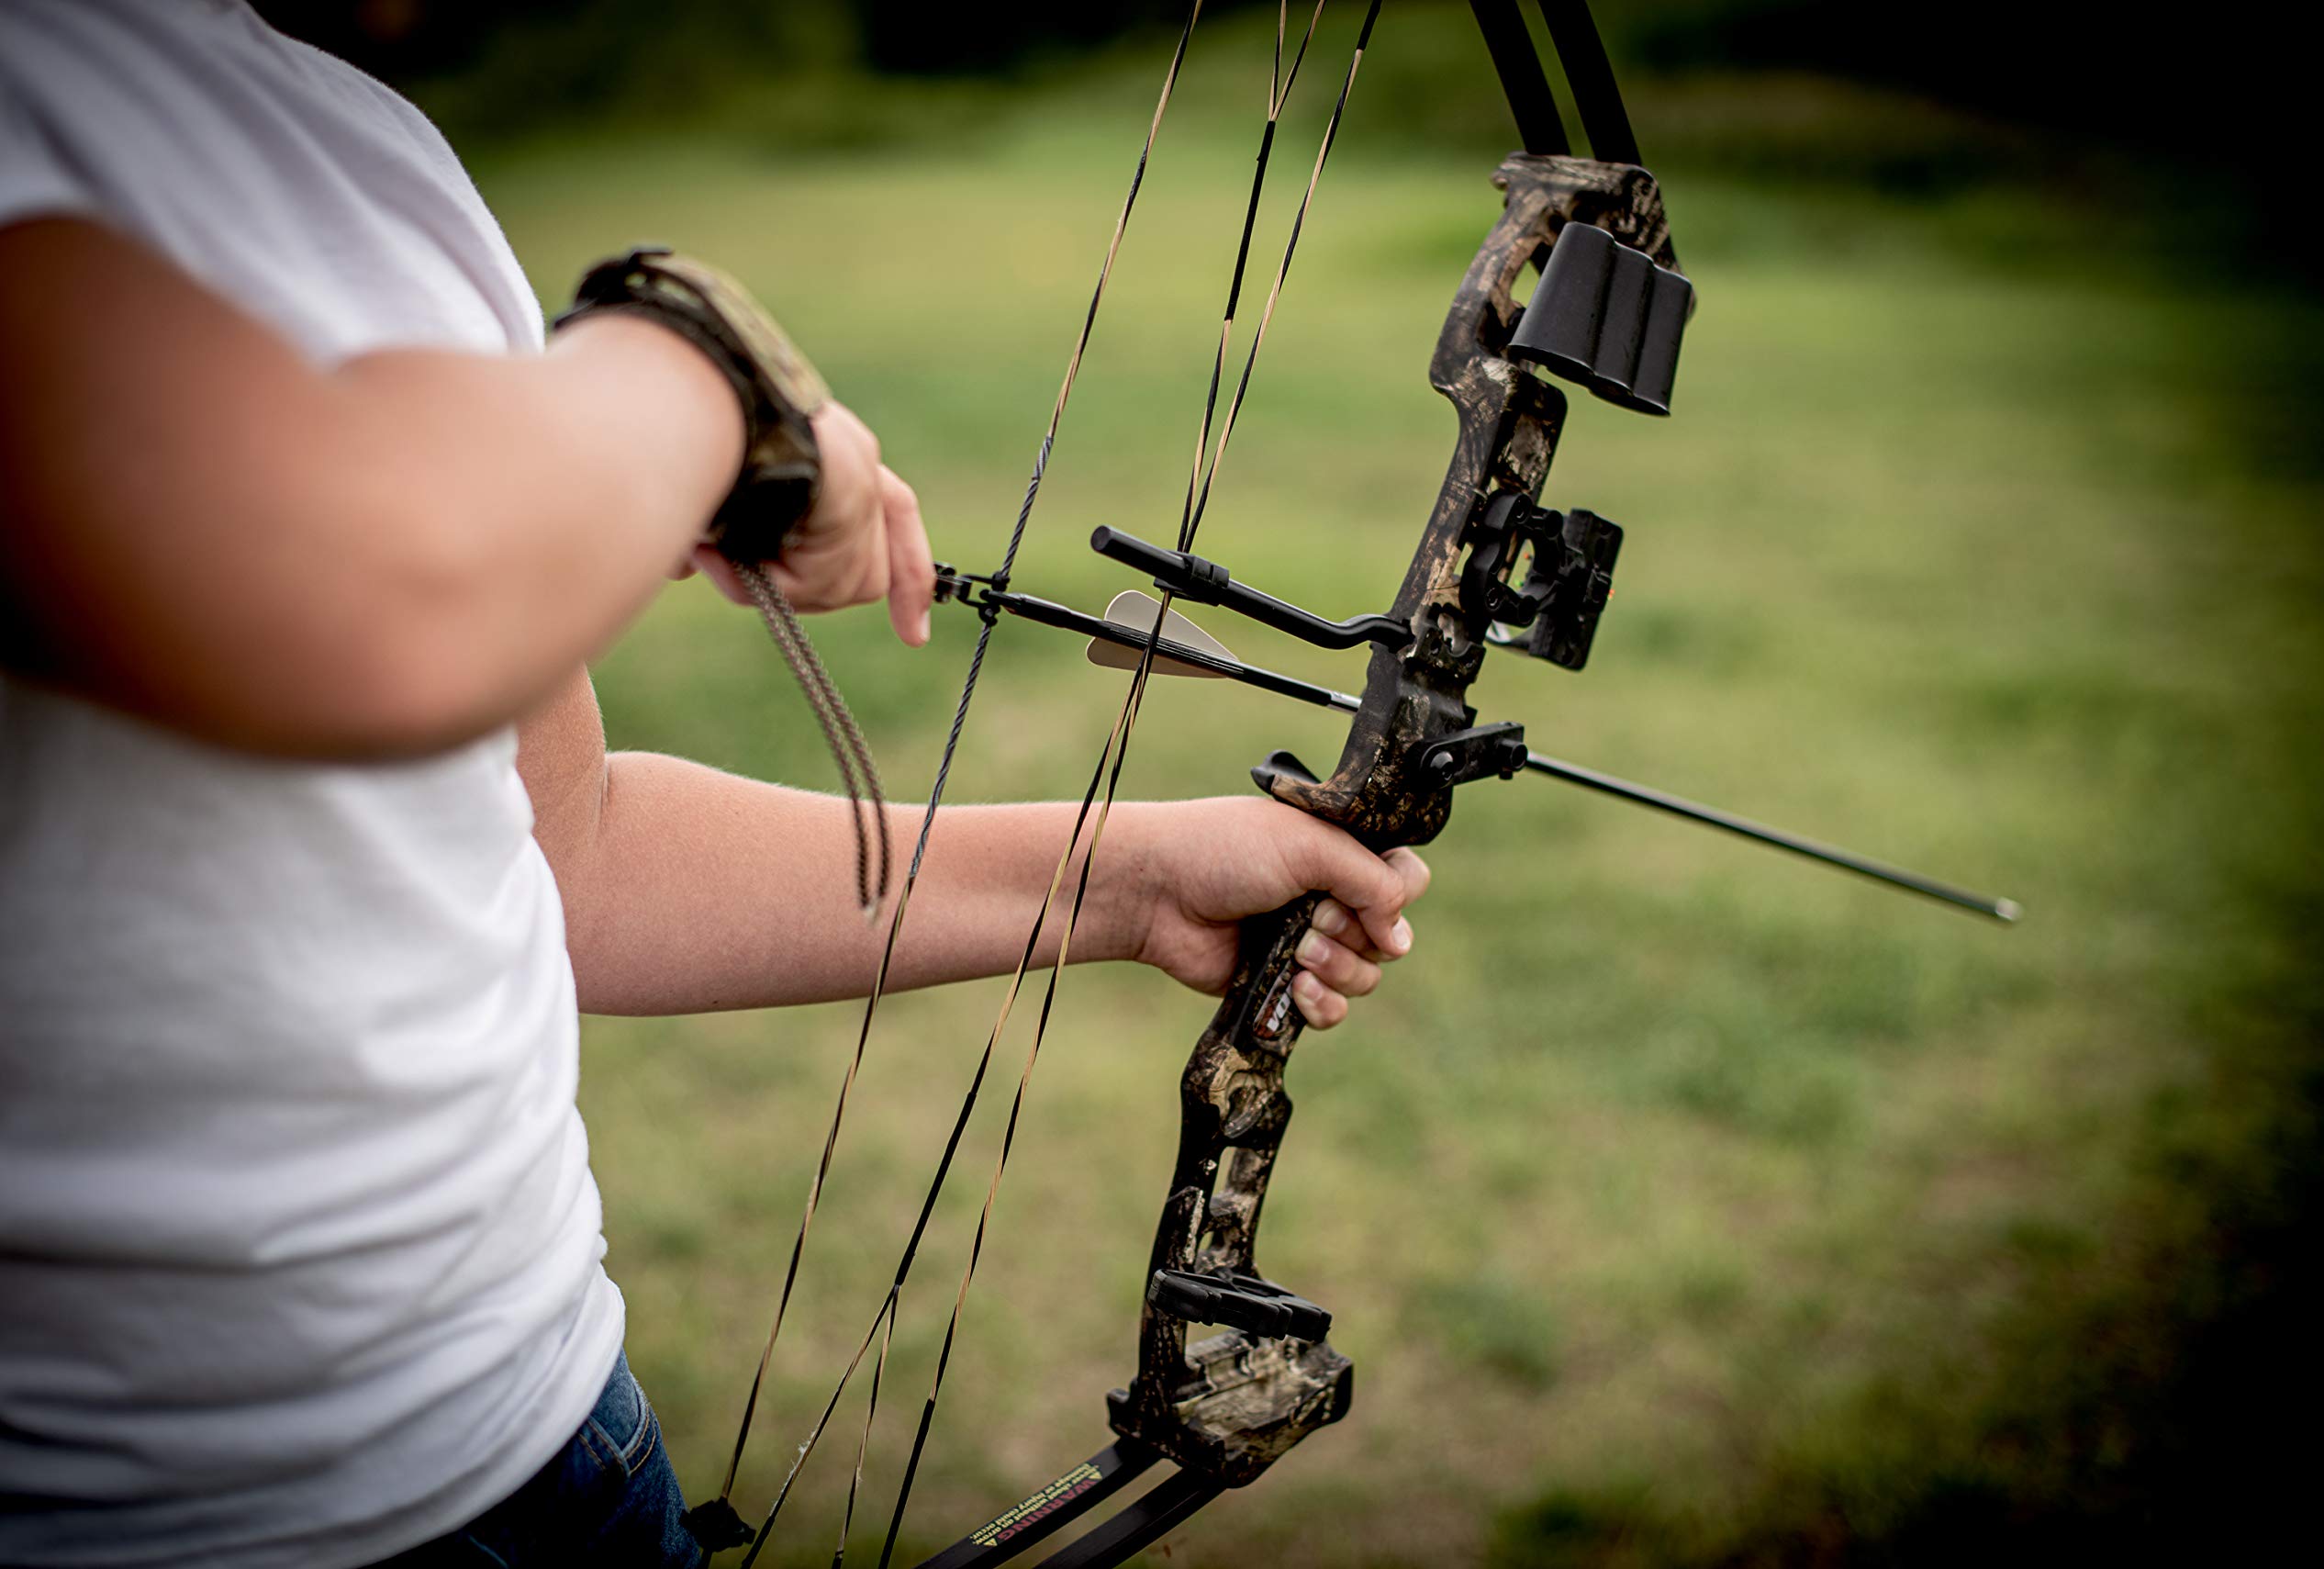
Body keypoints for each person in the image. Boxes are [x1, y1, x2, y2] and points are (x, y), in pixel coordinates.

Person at [0, 3, 1431, 1564]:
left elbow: (566, 849)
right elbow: (365, 592)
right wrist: (699, 360)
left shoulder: (359, 147)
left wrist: (1128, 872)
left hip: (550, 1437)